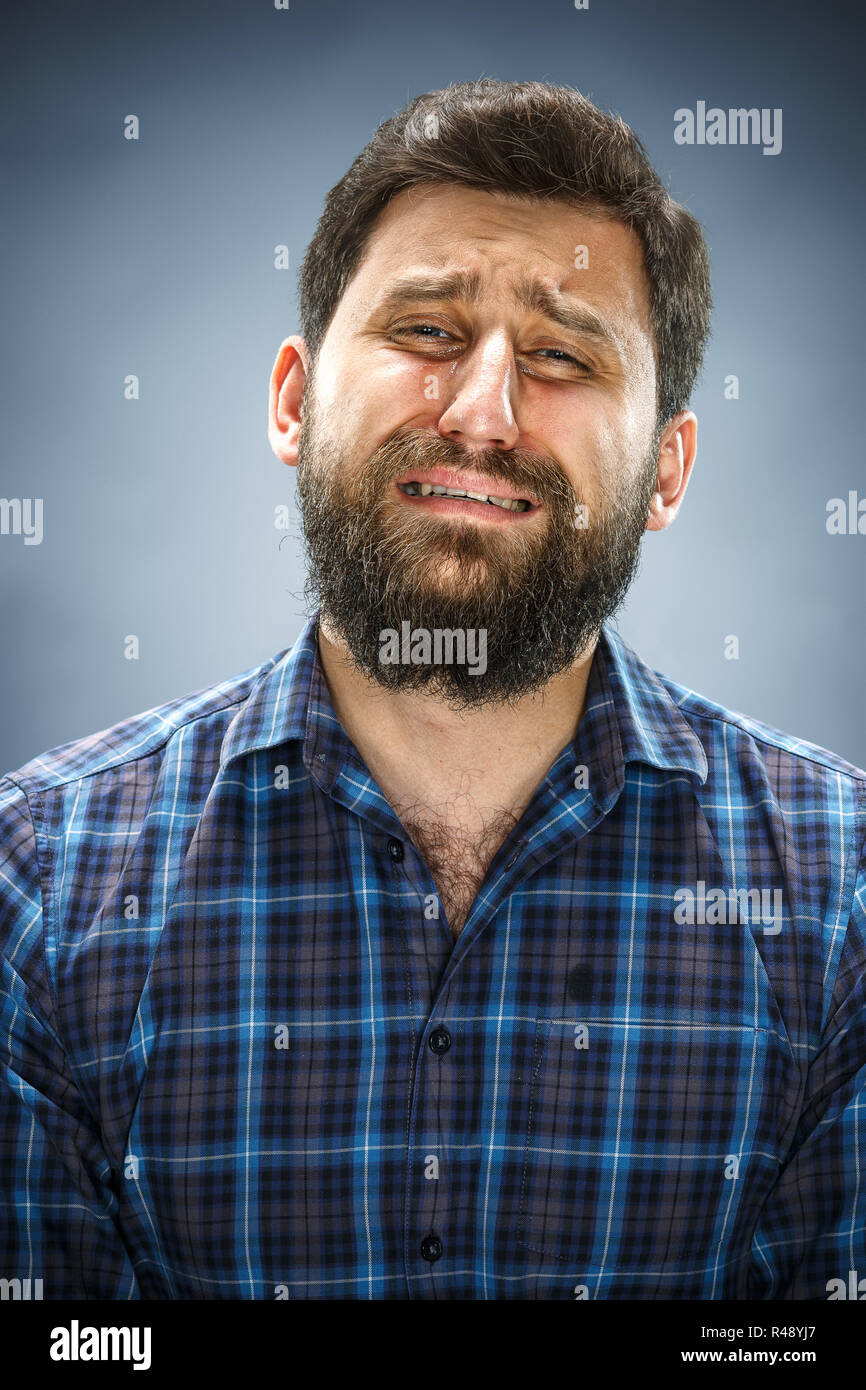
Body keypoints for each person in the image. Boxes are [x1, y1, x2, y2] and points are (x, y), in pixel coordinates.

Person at [1, 78, 864, 1301]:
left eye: (562, 354)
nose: (481, 413)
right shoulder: (37, 881)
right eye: (426, 333)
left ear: (667, 470)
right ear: (294, 400)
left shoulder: (841, 900)